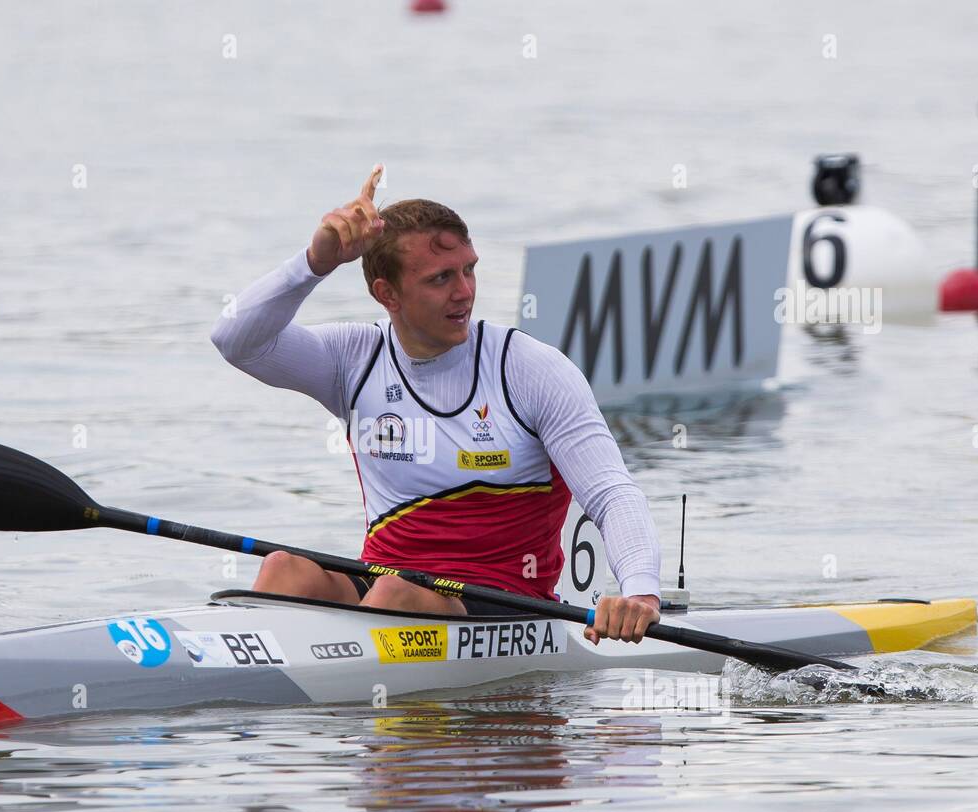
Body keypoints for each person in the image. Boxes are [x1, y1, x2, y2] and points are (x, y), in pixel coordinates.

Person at [212, 166, 662, 644]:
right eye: (441, 278)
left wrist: (640, 594)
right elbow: (235, 340)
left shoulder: (529, 369)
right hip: (389, 584)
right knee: (285, 570)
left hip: (504, 603)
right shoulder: (353, 359)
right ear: (386, 294)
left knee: (394, 595)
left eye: (469, 269)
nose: (464, 291)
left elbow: (612, 493)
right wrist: (314, 263)